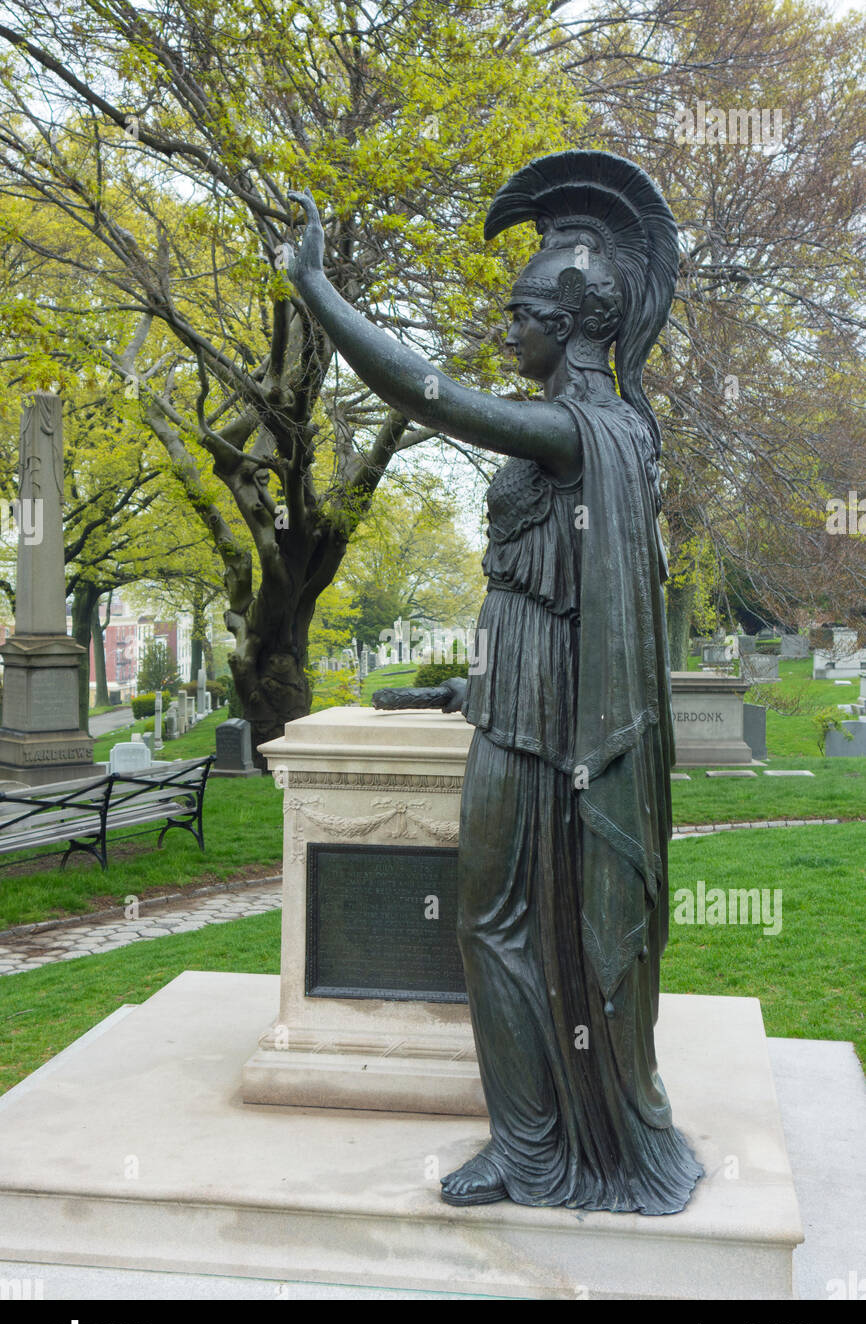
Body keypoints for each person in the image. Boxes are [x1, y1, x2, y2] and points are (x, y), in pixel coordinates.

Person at [284, 150, 702, 1215]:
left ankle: (549, 1144)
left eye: (518, 313)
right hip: (512, 703)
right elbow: (546, 594)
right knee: (494, 925)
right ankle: (533, 1138)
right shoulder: (590, 436)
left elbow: (422, 392)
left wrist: (319, 292)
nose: (503, 330)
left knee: (500, 925)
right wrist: (461, 685)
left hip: (555, 732)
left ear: (566, 326)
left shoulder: (582, 431)